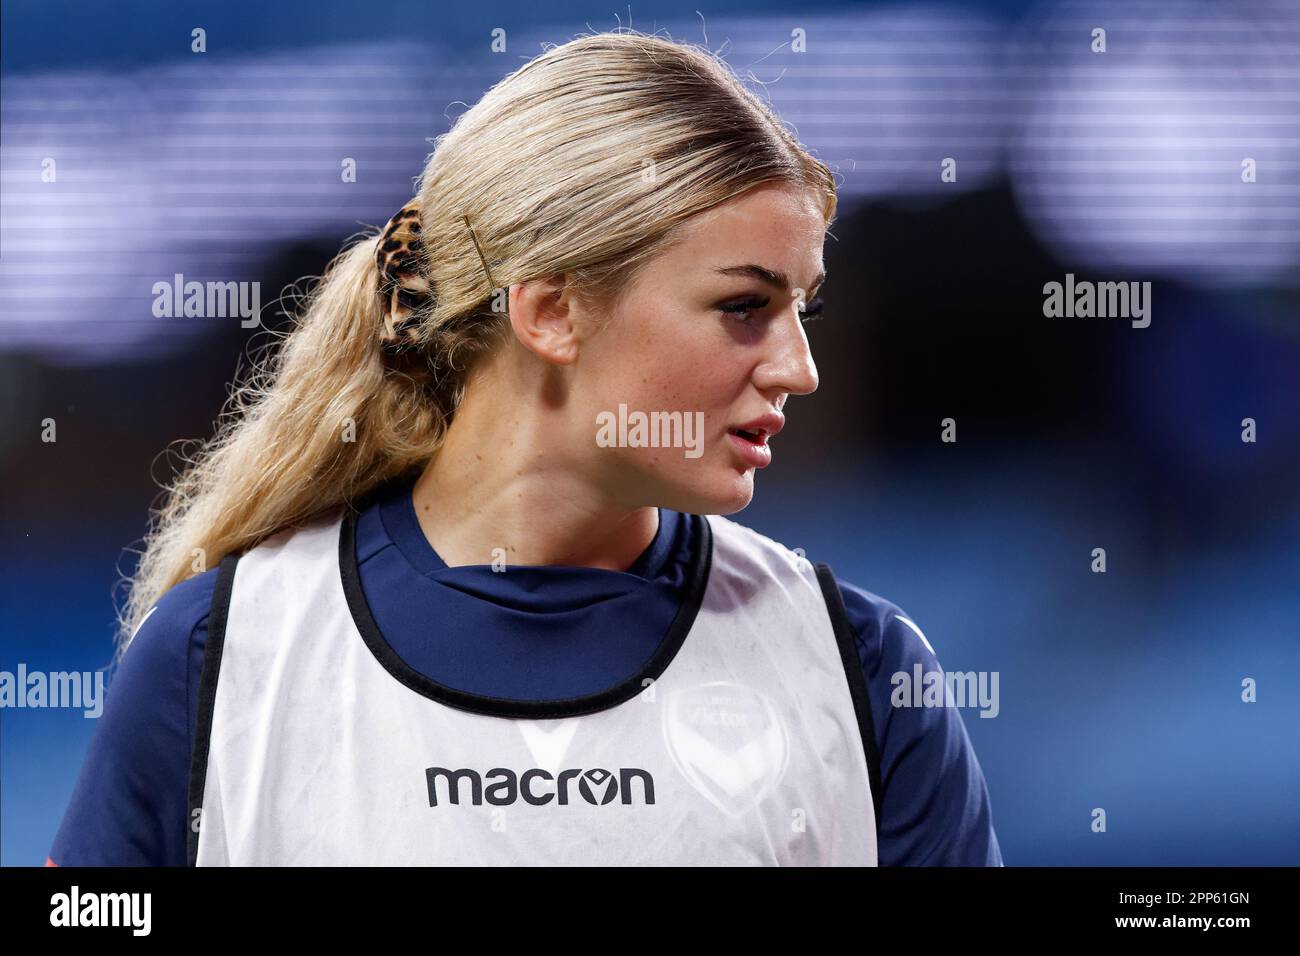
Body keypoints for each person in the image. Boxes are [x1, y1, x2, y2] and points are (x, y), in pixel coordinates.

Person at [48, 30, 1001, 866]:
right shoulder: (227, 655)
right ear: (550, 312)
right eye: (744, 307)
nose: (800, 369)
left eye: (805, 308)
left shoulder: (858, 666)